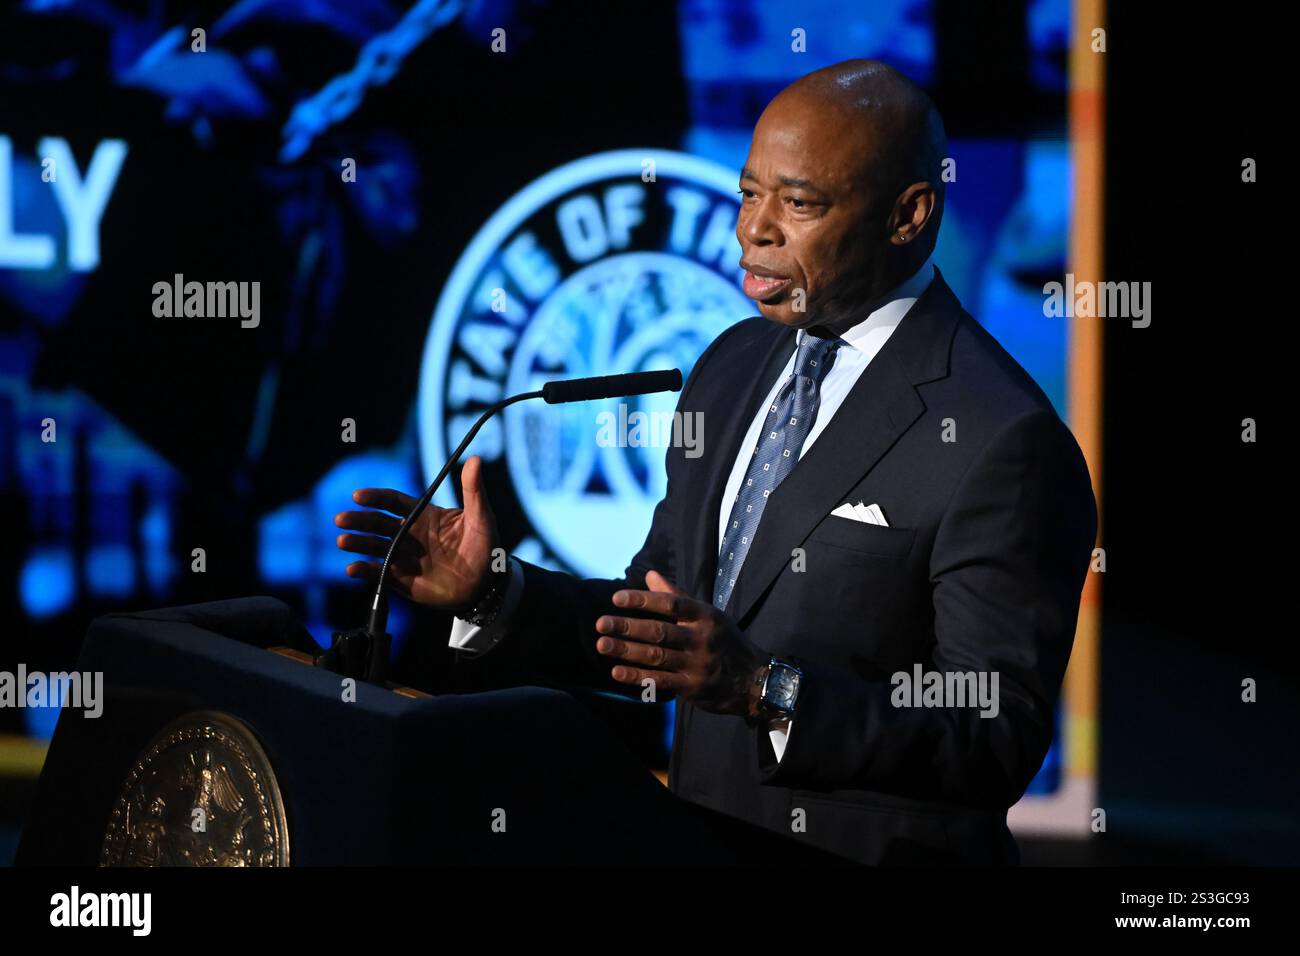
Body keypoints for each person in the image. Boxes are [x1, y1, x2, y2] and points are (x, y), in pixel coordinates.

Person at [334, 59, 1097, 866]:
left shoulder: (1000, 437)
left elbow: (994, 737)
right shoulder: (732, 366)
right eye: (748, 193)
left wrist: (765, 689)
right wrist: (496, 591)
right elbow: (656, 625)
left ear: (908, 215)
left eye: (798, 203)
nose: (753, 229)